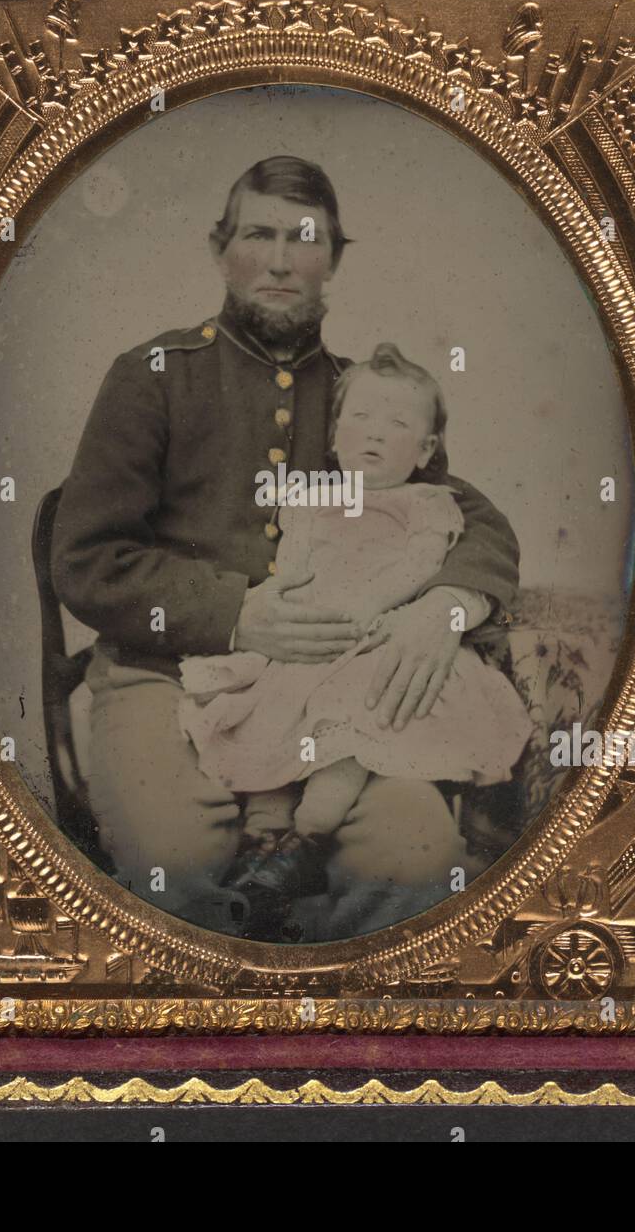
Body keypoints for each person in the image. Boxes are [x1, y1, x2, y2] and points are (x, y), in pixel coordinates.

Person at [51, 155, 522, 940]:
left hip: (333, 689)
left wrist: (446, 604)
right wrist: (235, 614)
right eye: (258, 234)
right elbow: (88, 558)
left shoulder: (363, 396)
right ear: (218, 246)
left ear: (333, 258)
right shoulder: (153, 376)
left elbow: (469, 516)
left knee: (415, 861)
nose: (278, 260)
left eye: (303, 240)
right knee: (180, 874)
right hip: (162, 675)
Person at [177, 343, 533, 918]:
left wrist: (390, 606)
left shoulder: (426, 500)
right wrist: (276, 602)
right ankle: (265, 841)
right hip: (305, 640)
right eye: (360, 420)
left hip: (375, 636)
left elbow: (424, 560)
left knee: (353, 721)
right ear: (336, 432)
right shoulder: (313, 499)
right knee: (266, 715)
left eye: (396, 425)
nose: (374, 434)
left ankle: (308, 837)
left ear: (425, 451)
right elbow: (292, 562)